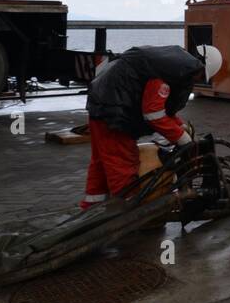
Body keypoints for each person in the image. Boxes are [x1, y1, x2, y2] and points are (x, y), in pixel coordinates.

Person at [82, 44, 221, 209]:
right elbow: (153, 114)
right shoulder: (170, 71)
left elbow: (161, 108)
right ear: (200, 66)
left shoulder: (168, 61)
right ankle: (125, 215)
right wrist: (182, 138)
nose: (197, 80)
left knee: (101, 163)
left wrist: (179, 126)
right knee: (123, 164)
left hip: (101, 107)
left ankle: (91, 209)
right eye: (200, 76)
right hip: (114, 116)